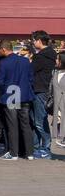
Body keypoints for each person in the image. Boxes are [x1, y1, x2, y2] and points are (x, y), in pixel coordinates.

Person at [0, 40, 35, 160]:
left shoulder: (4, 63)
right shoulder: (25, 61)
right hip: (25, 94)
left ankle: (14, 153)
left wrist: (1, 93)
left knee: (12, 126)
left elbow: (0, 82)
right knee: (26, 124)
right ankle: (29, 153)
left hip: (11, 95)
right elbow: (31, 78)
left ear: (3, 49)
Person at [29, 31, 57, 159]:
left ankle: (45, 148)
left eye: (34, 40)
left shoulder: (41, 56)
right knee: (37, 119)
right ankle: (37, 147)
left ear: (39, 41)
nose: (33, 43)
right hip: (45, 89)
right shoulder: (51, 53)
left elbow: (31, 71)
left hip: (40, 89)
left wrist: (31, 59)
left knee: (39, 120)